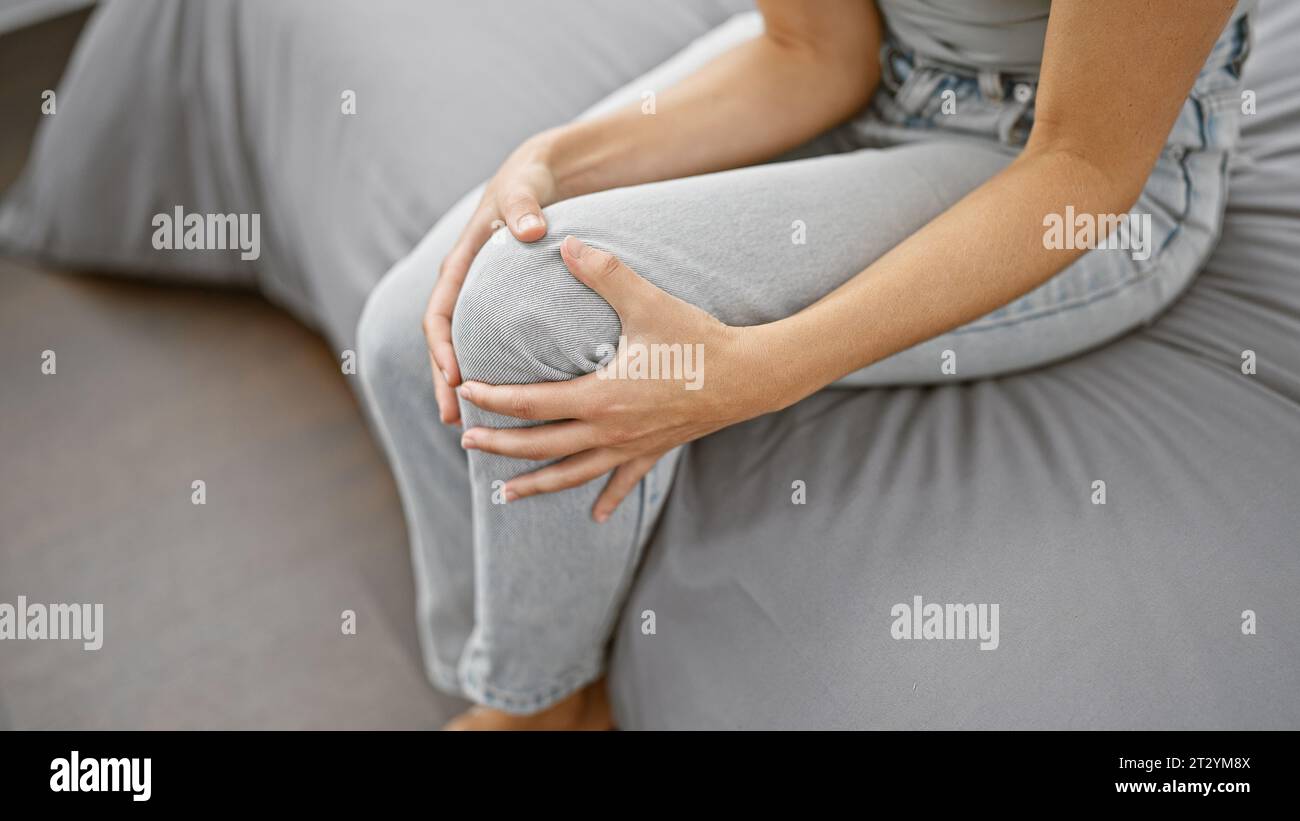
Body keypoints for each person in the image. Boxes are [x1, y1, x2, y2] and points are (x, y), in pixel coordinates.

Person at [357, 0, 1253, 730]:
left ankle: (539, 707)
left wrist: (766, 369)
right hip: (879, 81)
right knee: (403, 335)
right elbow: (814, 52)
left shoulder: (1080, 163)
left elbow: (1084, 167)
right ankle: (514, 662)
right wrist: (556, 158)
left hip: (1058, 165)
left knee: (528, 314)